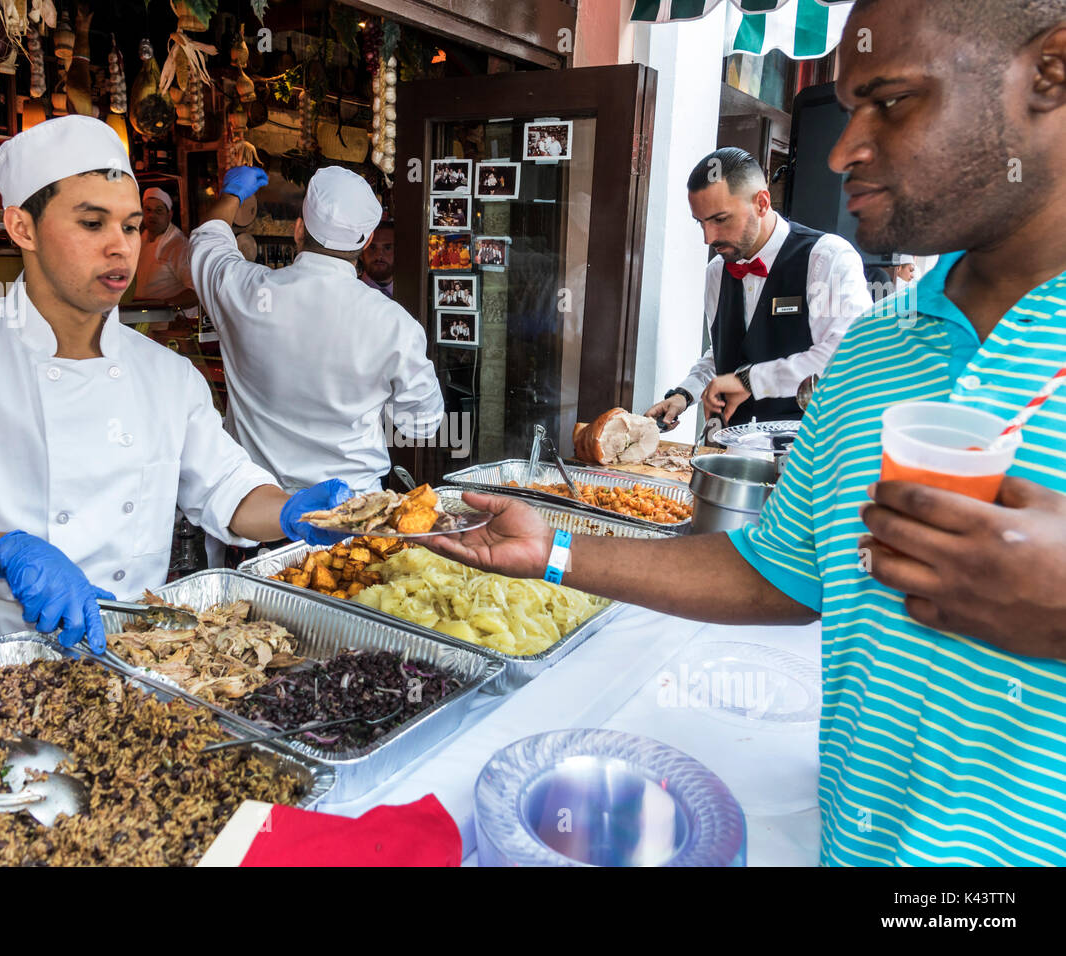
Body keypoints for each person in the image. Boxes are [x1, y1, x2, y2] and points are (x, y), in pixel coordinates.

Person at [426, 0, 1066, 866]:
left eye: (893, 99)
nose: (842, 150)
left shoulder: (829, 267)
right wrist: (555, 550)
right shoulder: (881, 348)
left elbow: (792, 357)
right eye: (849, 105)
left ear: (1052, 71)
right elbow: (778, 571)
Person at [0, 116, 347, 654]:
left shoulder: (168, 375)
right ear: (22, 228)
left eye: (131, 226)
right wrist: (0, 552)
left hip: (138, 670)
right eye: (92, 224)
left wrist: (295, 511)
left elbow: (226, 488)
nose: (121, 248)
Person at [191, 164, 443, 495]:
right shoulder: (394, 324)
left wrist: (233, 194)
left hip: (255, 512)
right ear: (366, 241)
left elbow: (207, 241)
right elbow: (422, 423)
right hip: (351, 517)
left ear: (298, 230)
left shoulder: (245, 291)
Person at [645, 148, 873, 428]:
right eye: (700, 223)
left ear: (762, 203)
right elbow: (724, 354)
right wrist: (685, 394)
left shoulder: (826, 258)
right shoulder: (717, 271)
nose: (708, 238)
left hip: (803, 452)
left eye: (720, 219)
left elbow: (850, 353)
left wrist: (751, 380)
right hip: (729, 450)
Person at [131, 185, 197, 306]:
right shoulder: (139, 240)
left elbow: (195, 291)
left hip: (171, 321)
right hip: (141, 319)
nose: (152, 215)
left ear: (169, 215)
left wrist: (164, 306)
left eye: (159, 210)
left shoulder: (179, 246)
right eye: (148, 210)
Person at [358, 218, 394, 297]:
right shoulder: (348, 292)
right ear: (360, 252)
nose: (378, 255)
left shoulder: (413, 294)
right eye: (372, 247)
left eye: (387, 247)